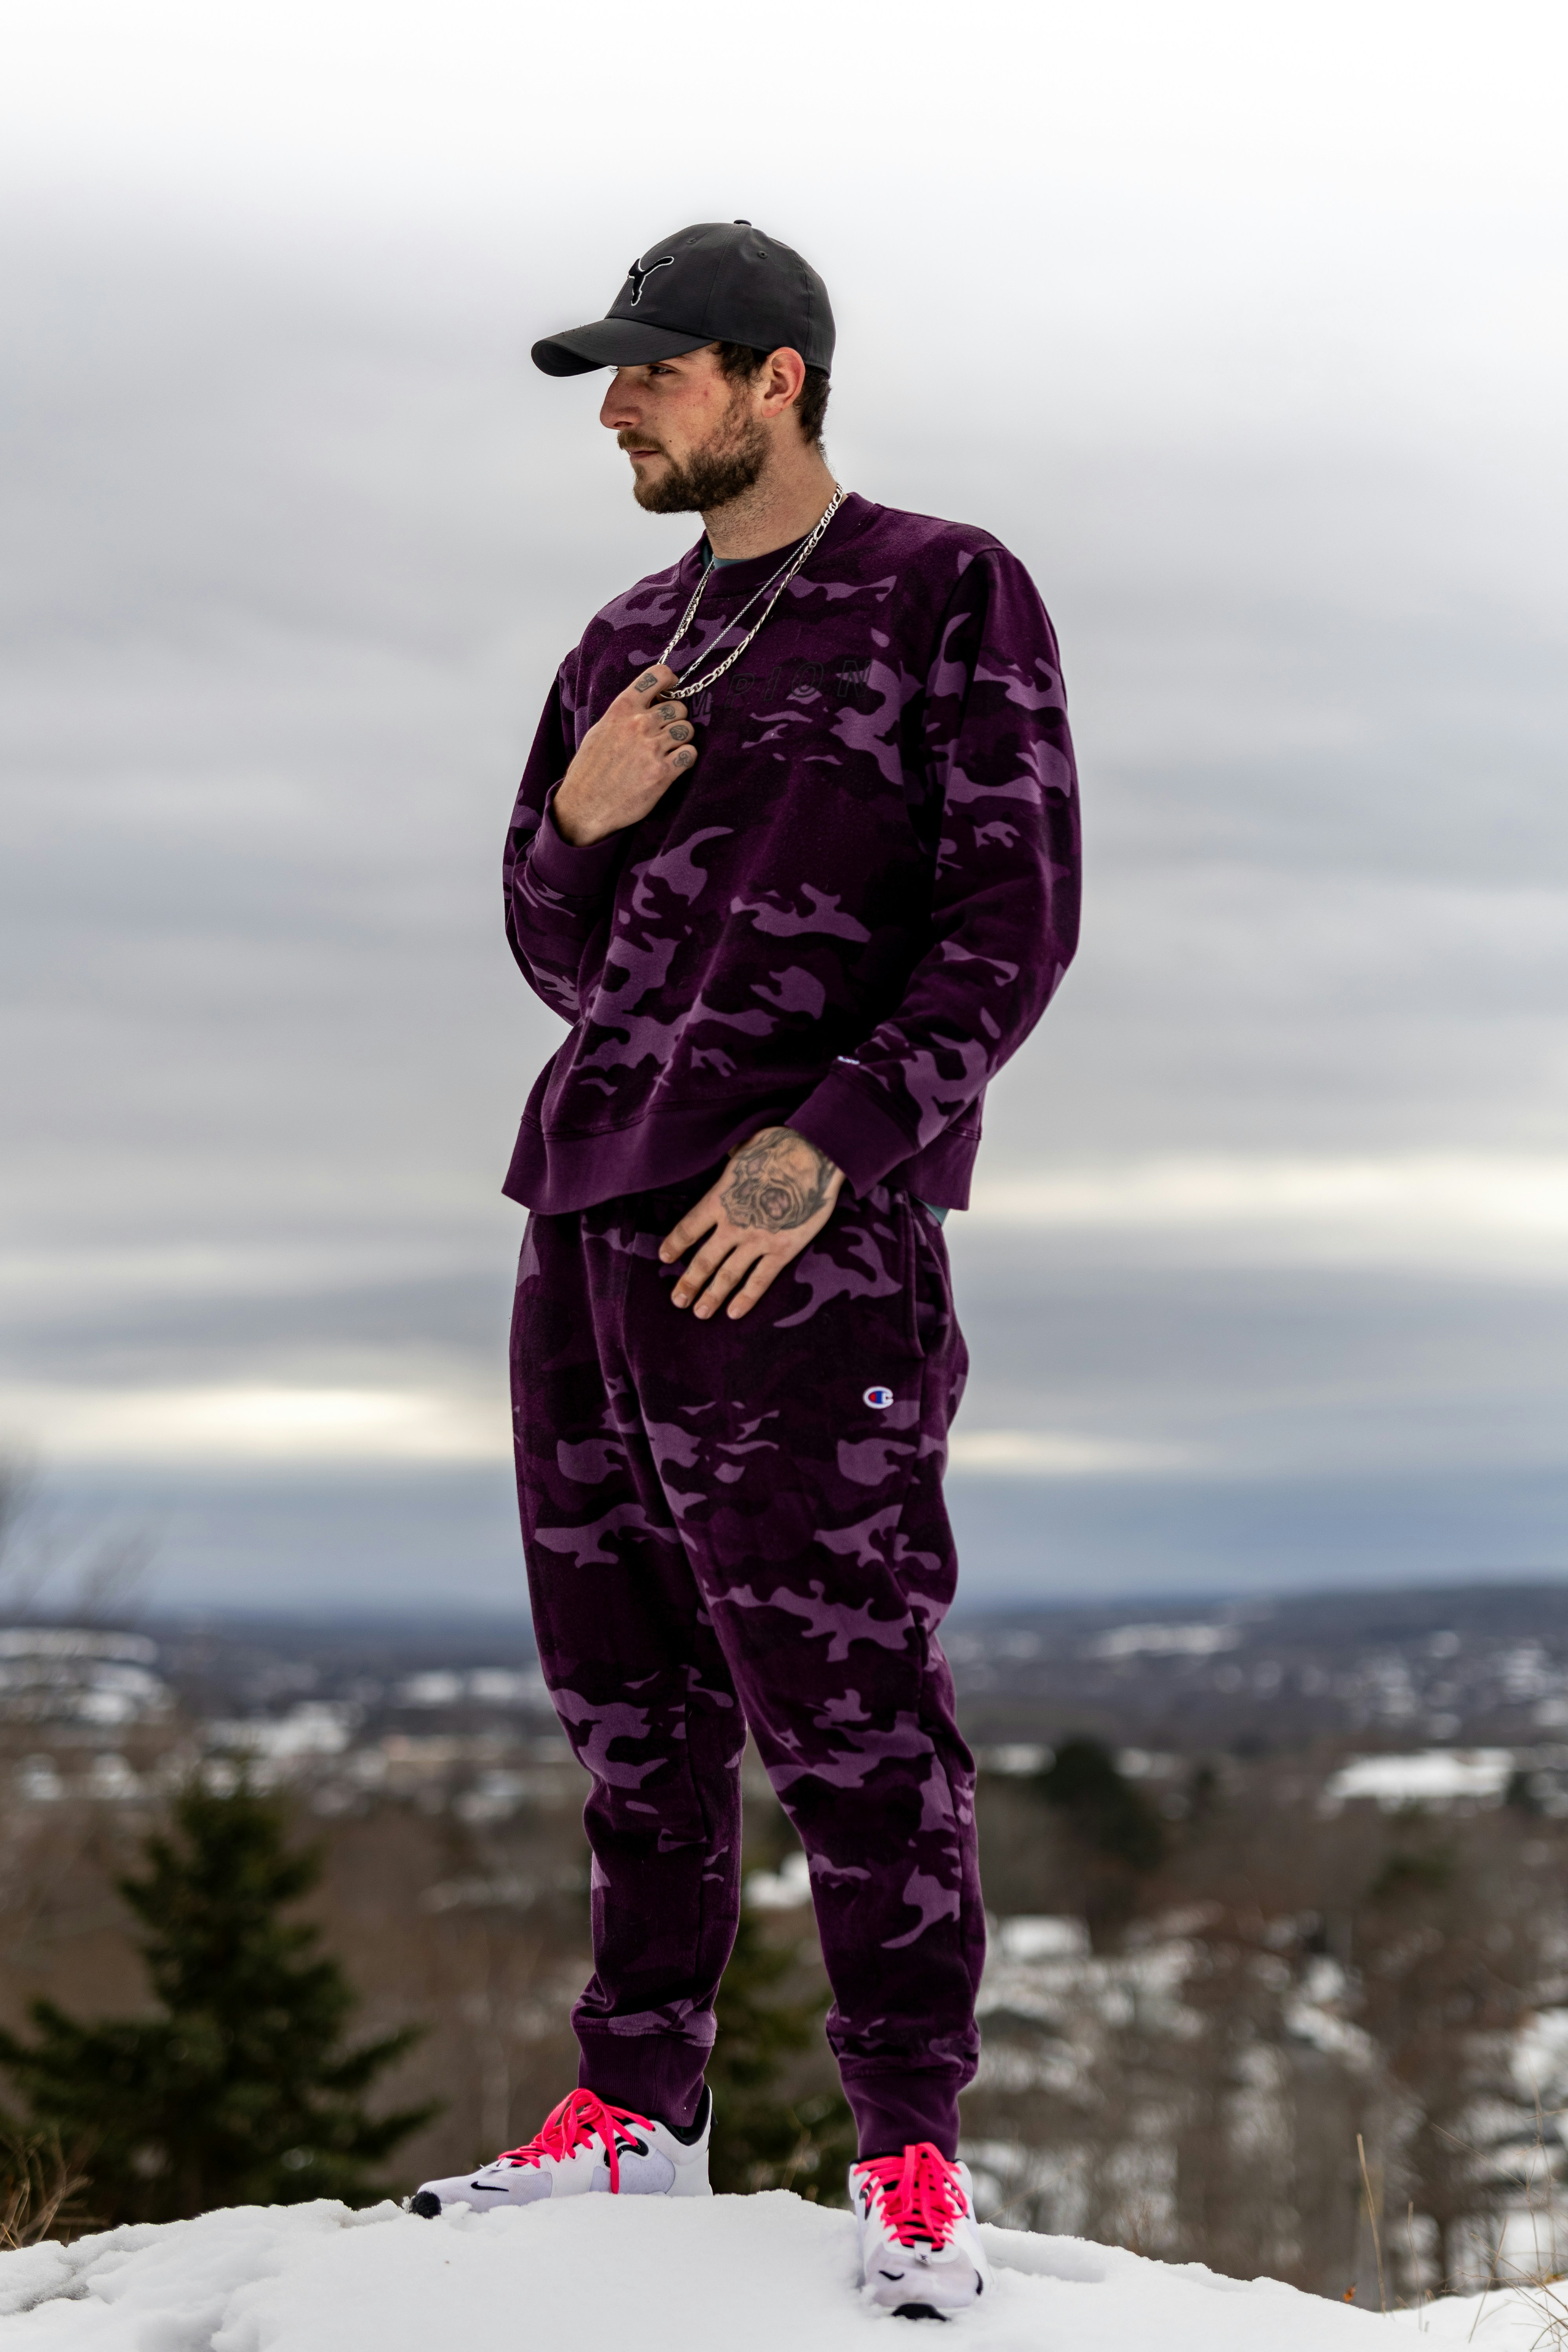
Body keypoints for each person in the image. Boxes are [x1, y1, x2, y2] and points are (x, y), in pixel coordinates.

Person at [410, 220, 1080, 2316]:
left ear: (776, 375)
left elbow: (1012, 915)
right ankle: (640, 2114)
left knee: (849, 1693)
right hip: (590, 1206)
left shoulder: (942, 586)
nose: (616, 406)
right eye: (609, 379)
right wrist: (580, 815)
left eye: (652, 373)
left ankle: (904, 2151)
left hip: (799, 1234)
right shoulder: (621, 639)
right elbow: (556, 950)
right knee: (629, 1692)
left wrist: (830, 1149)